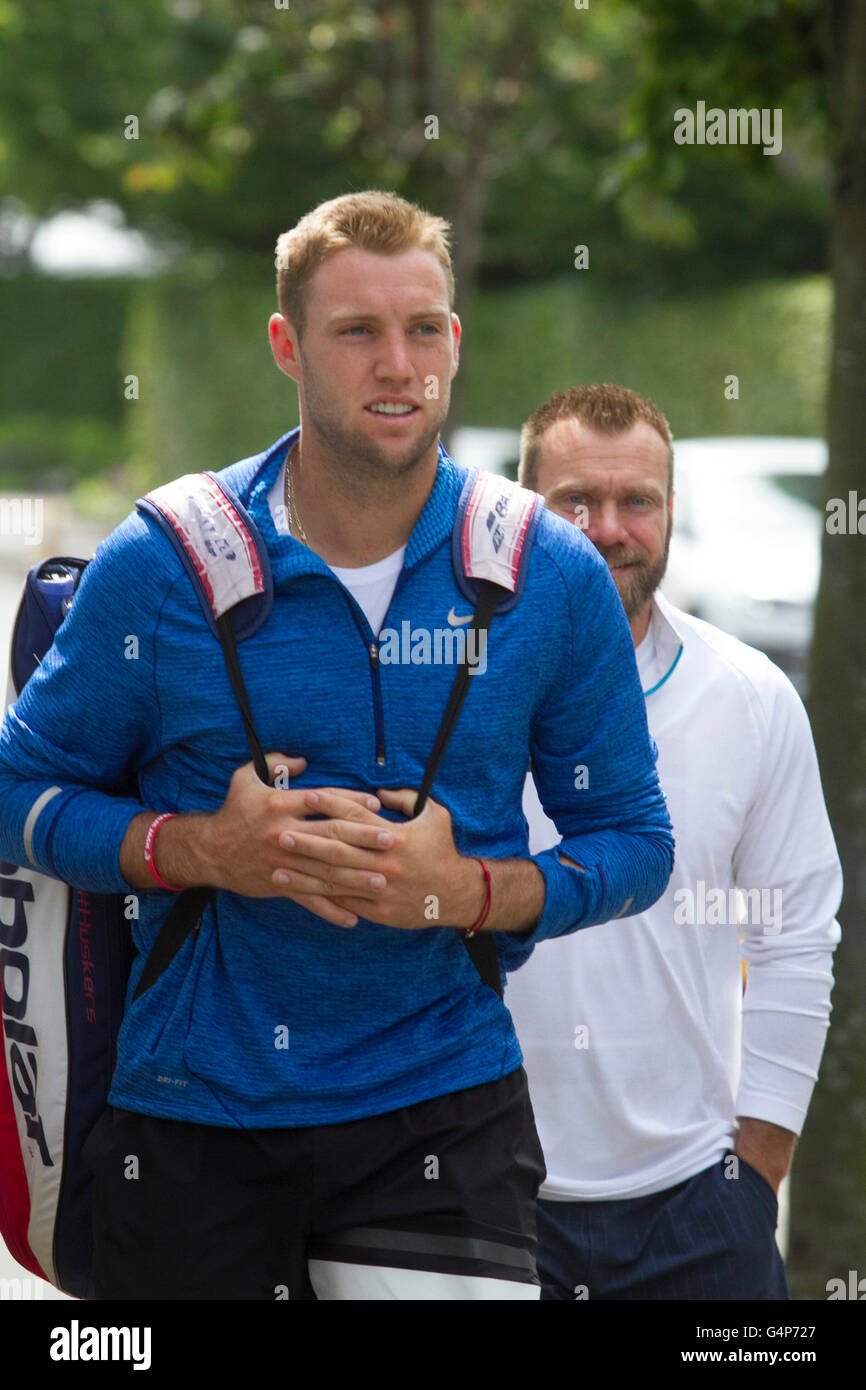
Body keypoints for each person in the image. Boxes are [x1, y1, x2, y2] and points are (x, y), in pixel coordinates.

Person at [0, 200, 674, 1300]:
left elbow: (635, 843)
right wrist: (195, 849)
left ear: (455, 343)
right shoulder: (165, 560)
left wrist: (468, 889)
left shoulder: (545, 573)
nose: (396, 364)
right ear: (287, 346)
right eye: (357, 331)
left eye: (423, 329)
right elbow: (16, 789)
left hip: (441, 1105)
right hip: (192, 1110)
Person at [505, 383, 842, 1300]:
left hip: (698, 1214)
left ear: (669, 515)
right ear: (522, 511)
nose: (608, 528)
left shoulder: (752, 696)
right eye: (576, 500)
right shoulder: (457, 691)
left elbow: (795, 938)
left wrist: (757, 1167)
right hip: (486, 1201)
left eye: (636, 502)